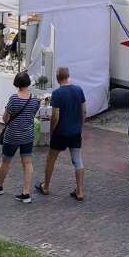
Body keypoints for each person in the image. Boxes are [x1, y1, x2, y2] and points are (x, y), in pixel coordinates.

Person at [39, 66, 87, 201]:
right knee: (77, 160)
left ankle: (46, 186)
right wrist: (80, 126)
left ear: (57, 77)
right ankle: (80, 191)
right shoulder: (78, 90)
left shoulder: (57, 93)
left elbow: (55, 116)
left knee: (51, 158)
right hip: (75, 132)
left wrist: (52, 129)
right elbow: (84, 111)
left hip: (61, 132)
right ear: (68, 76)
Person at [0, 71, 40, 202]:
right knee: (27, 162)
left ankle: (0, 186)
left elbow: (6, 118)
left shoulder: (14, 98)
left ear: (16, 84)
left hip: (12, 135)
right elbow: (33, 115)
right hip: (27, 135)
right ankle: (26, 192)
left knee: (6, 160)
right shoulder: (34, 99)